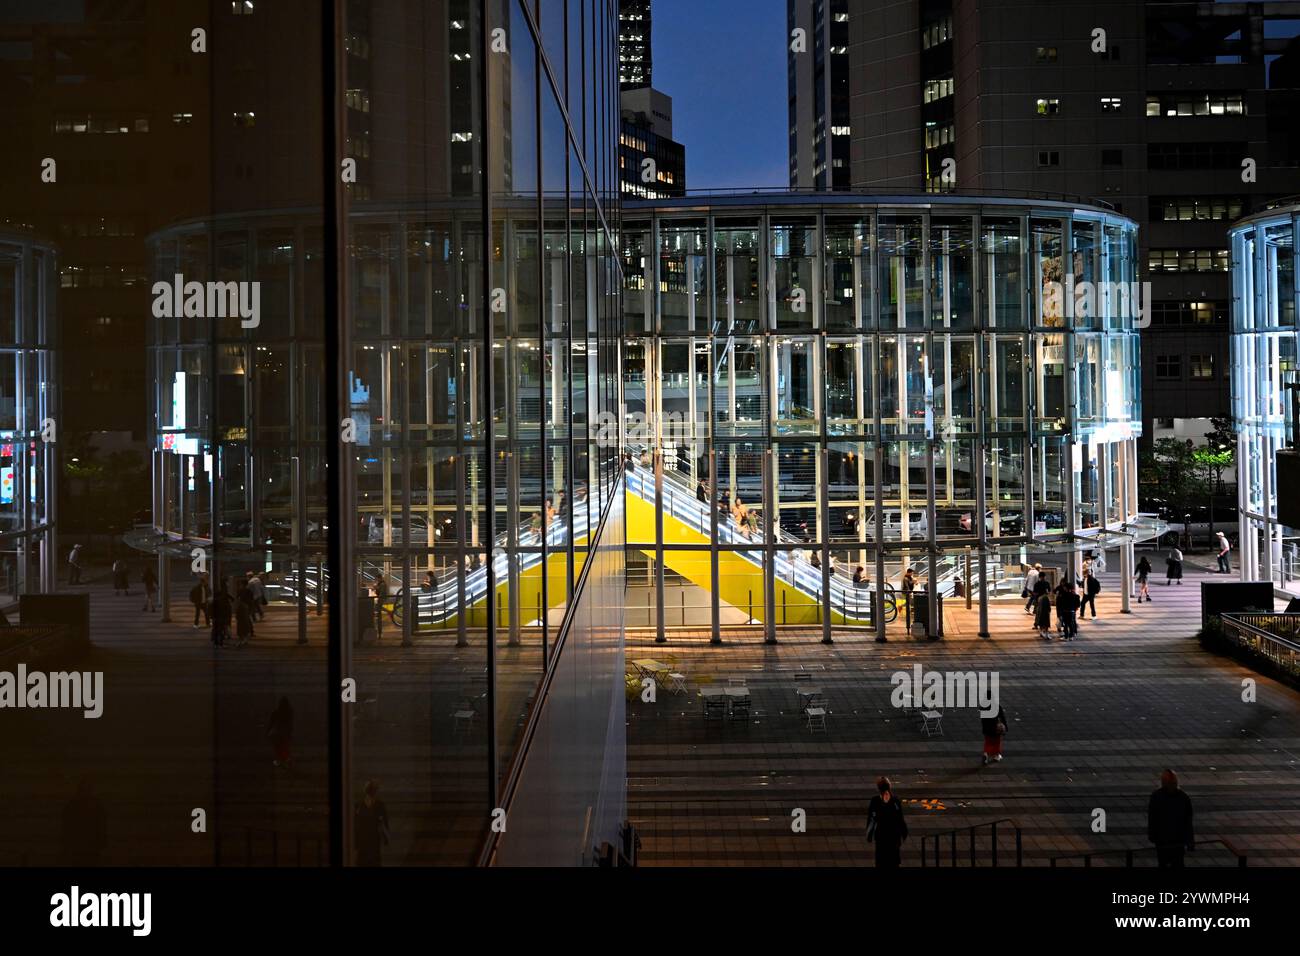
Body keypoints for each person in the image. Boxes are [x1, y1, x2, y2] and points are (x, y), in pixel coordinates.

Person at [1148, 769, 1194, 867]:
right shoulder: (1183, 797)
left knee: (1163, 862)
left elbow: (1152, 818)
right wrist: (1190, 841)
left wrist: (1152, 835)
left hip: (1163, 839)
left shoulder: (1156, 796)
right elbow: (1188, 821)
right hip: (1177, 840)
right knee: (1178, 862)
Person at [866, 776, 908, 868]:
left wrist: (869, 835)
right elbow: (900, 819)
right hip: (894, 837)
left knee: (881, 862)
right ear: (890, 786)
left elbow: (871, 819)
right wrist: (904, 833)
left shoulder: (875, 801)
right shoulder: (895, 800)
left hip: (881, 837)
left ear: (878, 788)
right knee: (894, 862)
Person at [354, 780, 390, 866]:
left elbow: (384, 822)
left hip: (372, 836)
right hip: (365, 837)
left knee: (372, 860)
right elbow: (355, 823)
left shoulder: (378, 804)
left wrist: (386, 837)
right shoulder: (359, 805)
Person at [267, 697, 294, 768]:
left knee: (278, 748)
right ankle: (285, 761)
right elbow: (290, 724)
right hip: (284, 732)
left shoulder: (276, 712)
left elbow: (271, 723)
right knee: (284, 747)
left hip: (277, 733)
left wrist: (268, 731)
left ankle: (280, 761)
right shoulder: (289, 713)